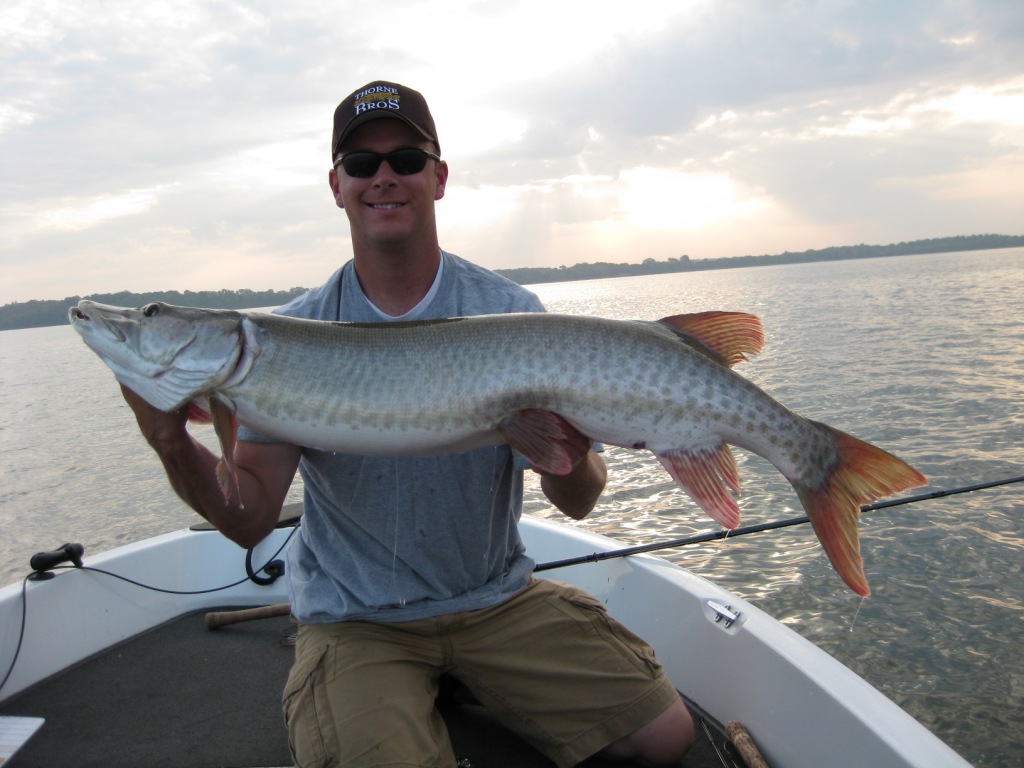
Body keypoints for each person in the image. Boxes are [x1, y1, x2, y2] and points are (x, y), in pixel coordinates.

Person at [121, 80, 695, 767]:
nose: (383, 177)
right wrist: (168, 440)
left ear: (438, 176)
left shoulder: (511, 312)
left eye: (406, 159)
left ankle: (459, 679)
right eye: (361, 164)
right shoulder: (287, 340)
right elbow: (249, 517)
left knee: (664, 739)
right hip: (358, 621)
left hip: (494, 602)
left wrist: (567, 457)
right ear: (337, 186)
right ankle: (404, 687)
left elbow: (582, 498)